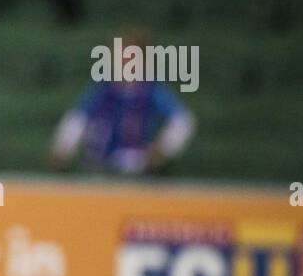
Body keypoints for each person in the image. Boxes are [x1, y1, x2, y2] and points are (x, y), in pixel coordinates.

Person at [48, 30, 196, 175]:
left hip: (135, 168)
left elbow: (182, 119)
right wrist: (63, 147)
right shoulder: (103, 88)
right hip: (99, 167)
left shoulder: (151, 90)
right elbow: (78, 118)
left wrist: (163, 148)